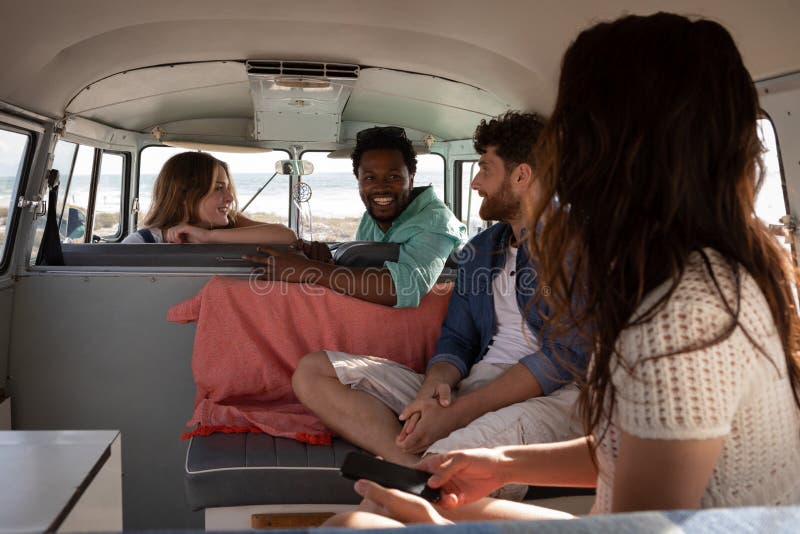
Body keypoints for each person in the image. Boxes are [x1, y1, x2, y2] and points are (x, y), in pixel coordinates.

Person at [324, 12, 800, 527]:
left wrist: (436, 524)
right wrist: (501, 463)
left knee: (365, 520)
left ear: (615, 144)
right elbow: (634, 450)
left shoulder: (682, 312)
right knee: (391, 504)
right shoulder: (702, 274)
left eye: (573, 127)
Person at [292, 112, 588, 481]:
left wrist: (459, 411)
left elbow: (565, 357)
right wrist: (435, 389)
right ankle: (410, 470)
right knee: (314, 372)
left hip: (552, 399)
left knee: (444, 463)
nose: (476, 182)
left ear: (522, 176)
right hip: (476, 383)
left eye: (484, 168)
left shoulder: (576, 243)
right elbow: (458, 338)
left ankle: (424, 475)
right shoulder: (482, 249)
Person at [244, 126, 467, 307]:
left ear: (412, 177)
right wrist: (328, 262)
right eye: (370, 178)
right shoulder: (372, 219)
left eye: (393, 176)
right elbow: (368, 273)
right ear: (358, 180)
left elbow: (405, 288)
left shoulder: (437, 222)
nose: (381, 188)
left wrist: (309, 271)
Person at [122, 151, 296, 244]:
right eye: (218, 188)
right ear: (183, 194)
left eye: (227, 188)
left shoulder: (233, 224)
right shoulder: (144, 242)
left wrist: (208, 237)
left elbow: (286, 235)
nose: (230, 198)